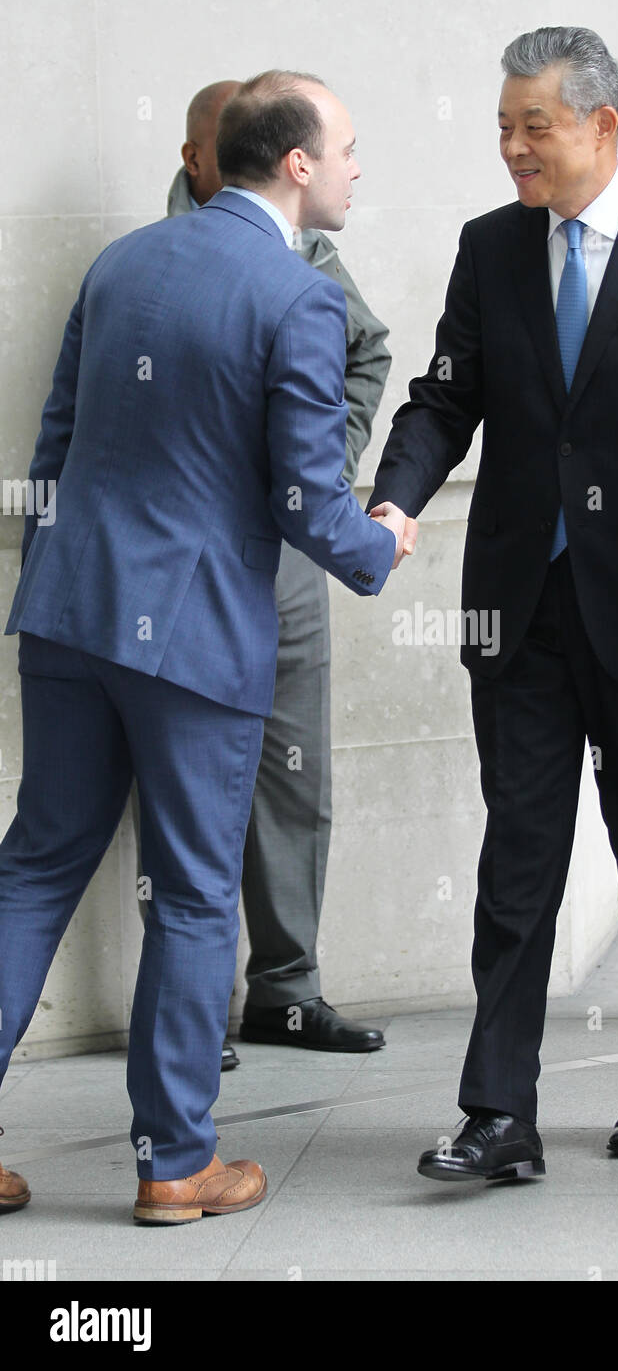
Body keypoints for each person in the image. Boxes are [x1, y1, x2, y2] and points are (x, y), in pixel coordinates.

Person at [0, 70, 414, 1223]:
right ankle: (175, 1162)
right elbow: (301, 496)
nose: (355, 168)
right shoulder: (297, 296)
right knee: (190, 896)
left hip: (70, 610)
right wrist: (380, 539)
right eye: (345, 149)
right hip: (190, 641)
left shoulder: (121, 263)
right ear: (295, 166)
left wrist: (64, 571)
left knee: (34, 867)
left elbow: (55, 446)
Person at [369, 25, 618, 1182]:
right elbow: (446, 398)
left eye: (531, 126)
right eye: (503, 126)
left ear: (602, 123)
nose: (511, 149)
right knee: (520, 855)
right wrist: (395, 504)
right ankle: (499, 1114)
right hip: (521, 607)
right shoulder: (491, 246)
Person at [157, 80, 394, 1073]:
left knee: (296, 773)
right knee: (188, 788)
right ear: (195, 157)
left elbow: (367, 351)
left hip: (291, 558)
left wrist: (326, 476)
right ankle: (189, 1017)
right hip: (189, 570)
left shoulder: (309, 252)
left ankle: (287, 990)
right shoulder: (153, 264)